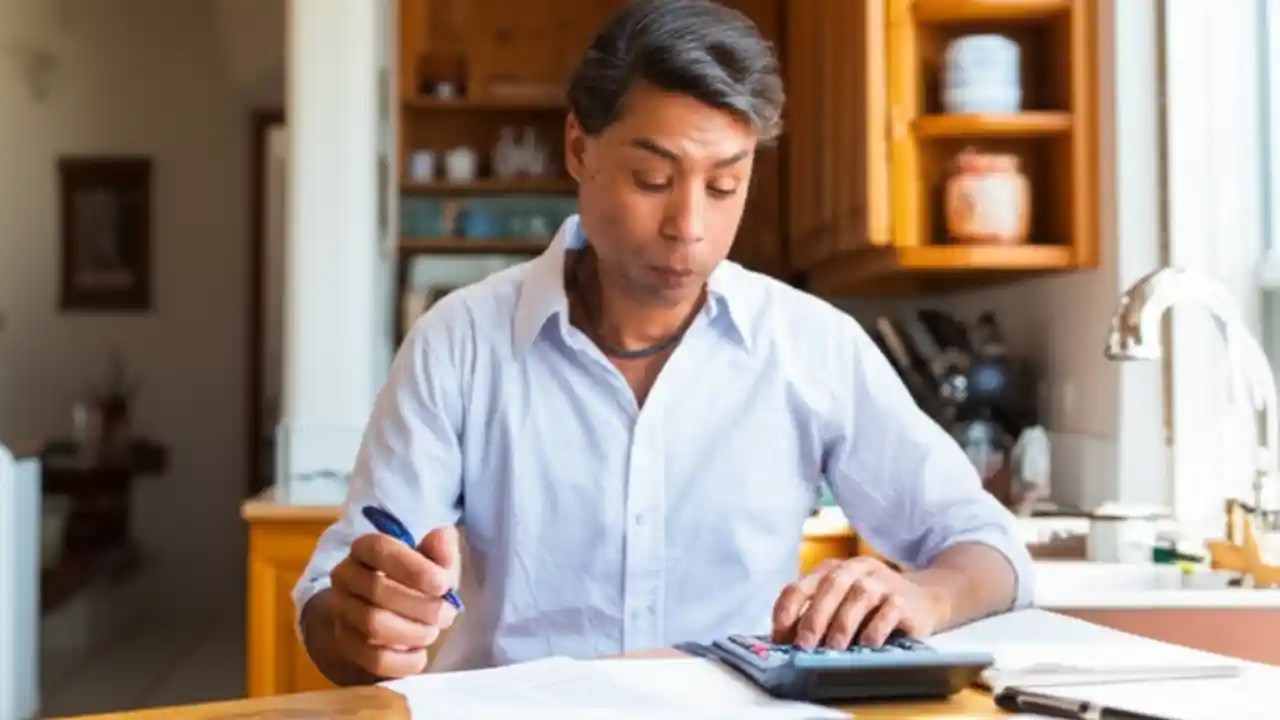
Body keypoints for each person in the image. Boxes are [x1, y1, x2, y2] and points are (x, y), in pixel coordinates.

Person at [294, 0, 1033, 685]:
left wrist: (924, 595)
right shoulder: (460, 343)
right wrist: (362, 621)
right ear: (579, 148)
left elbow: (990, 549)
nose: (689, 226)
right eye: (652, 178)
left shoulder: (811, 346)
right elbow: (333, 608)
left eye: (724, 186)